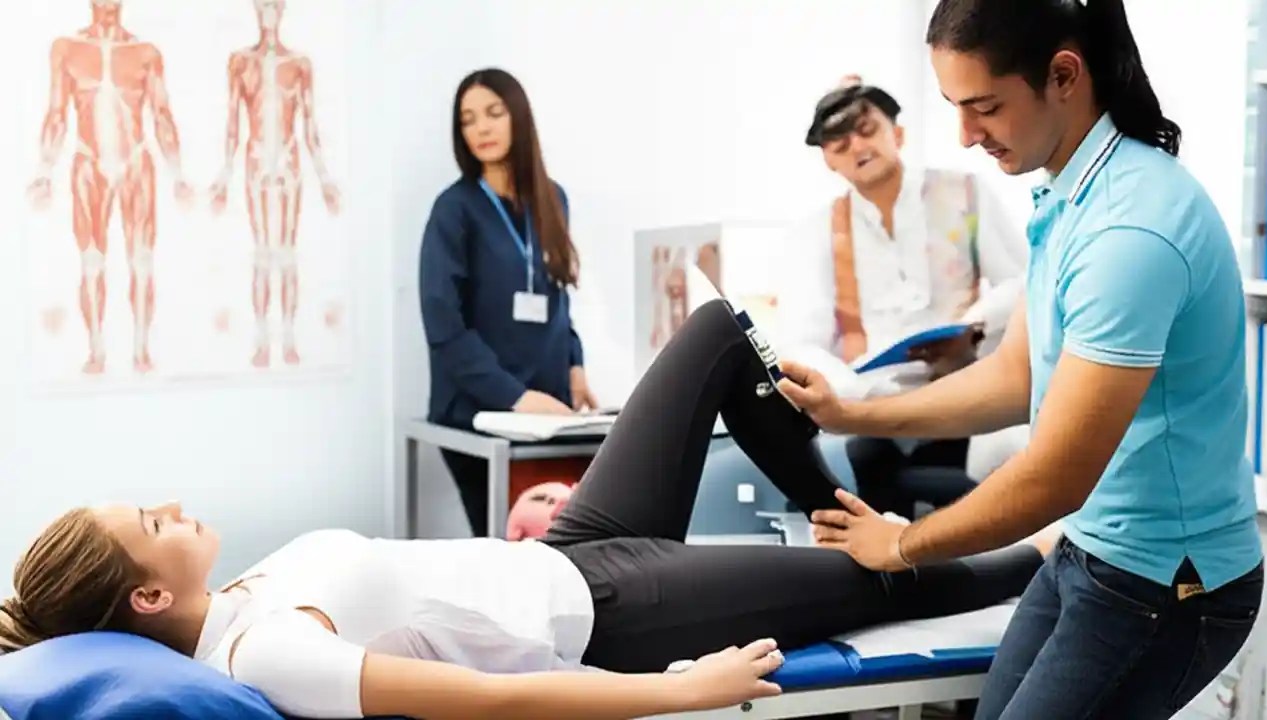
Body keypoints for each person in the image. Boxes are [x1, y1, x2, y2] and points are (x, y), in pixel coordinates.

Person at [0, 299, 1057, 720]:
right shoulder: (265, 653)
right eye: (152, 517)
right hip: (614, 610)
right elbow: (490, 701)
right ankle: (1044, 548)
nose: (174, 504)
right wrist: (686, 695)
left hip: (573, 543)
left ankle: (854, 512)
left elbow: (420, 585)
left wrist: (530, 520)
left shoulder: (237, 593)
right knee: (884, 580)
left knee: (719, 333)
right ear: (145, 591)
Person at [778, 1, 1264, 718]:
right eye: (954, 107)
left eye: (985, 108)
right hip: (1090, 549)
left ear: (1064, 76)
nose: (967, 136)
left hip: (1168, 583)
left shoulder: (1130, 228)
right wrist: (852, 412)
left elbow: (1056, 477)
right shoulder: (1067, 196)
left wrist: (904, 544)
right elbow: (1018, 374)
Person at [778, 75, 1027, 520]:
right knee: (862, 480)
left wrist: (975, 327)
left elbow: (1024, 284)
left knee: (1002, 471)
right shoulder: (816, 232)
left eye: (866, 128)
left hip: (963, 392)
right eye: (837, 142)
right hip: (874, 409)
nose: (856, 146)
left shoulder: (965, 194)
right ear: (828, 162)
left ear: (898, 133)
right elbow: (801, 339)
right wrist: (852, 395)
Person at [420, 68, 598, 537]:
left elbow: (558, 295)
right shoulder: (454, 209)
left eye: (494, 113)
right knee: (505, 552)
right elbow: (443, 326)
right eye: (468, 119)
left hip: (547, 415)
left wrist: (575, 365)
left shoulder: (552, 198)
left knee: (563, 548)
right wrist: (514, 397)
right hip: (477, 411)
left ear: (518, 117)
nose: (481, 128)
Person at [27, 0, 193, 375]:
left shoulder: (145, 53)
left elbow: (162, 114)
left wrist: (177, 174)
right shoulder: (66, 48)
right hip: (90, 162)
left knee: (142, 262)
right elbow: (56, 113)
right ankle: (97, 349)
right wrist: (44, 170)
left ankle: (140, 350)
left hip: (136, 162)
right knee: (91, 263)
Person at [210, 0, 342, 368]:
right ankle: (261, 338)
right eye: (262, 4)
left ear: (282, 9)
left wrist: (325, 179)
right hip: (255, 160)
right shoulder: (241, 62)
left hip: (288, 160)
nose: (268, 10)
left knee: (286, 252)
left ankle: (288, 336)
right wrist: (223, 176)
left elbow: (310, 125)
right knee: (262, 252)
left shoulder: (298, 64)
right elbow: (234, 123)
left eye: (274, 4)